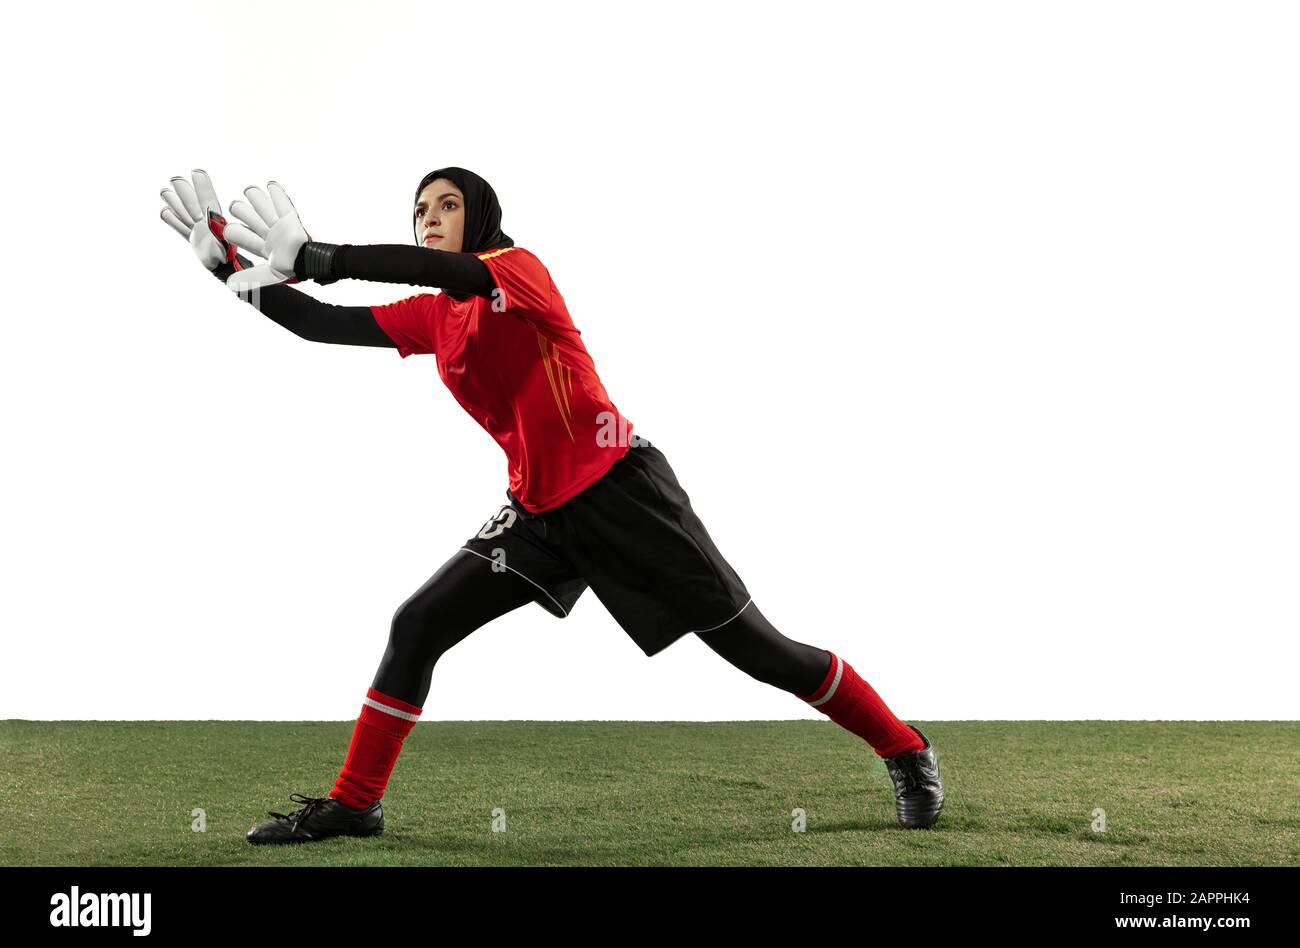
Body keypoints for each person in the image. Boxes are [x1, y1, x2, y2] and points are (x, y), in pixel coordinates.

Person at [158, 167, 945, 844]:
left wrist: (325, 257)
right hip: (537, 514)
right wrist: (230, 269)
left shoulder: (514, 269)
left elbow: (457, 277)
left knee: (761, 653)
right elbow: (318, 322)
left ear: (480, 215)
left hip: (623, 495)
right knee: (417, 625)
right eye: (418, 212)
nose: (429, 220)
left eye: (445, 206)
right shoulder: (438, 315)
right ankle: (354, 807)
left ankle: (905, 749)